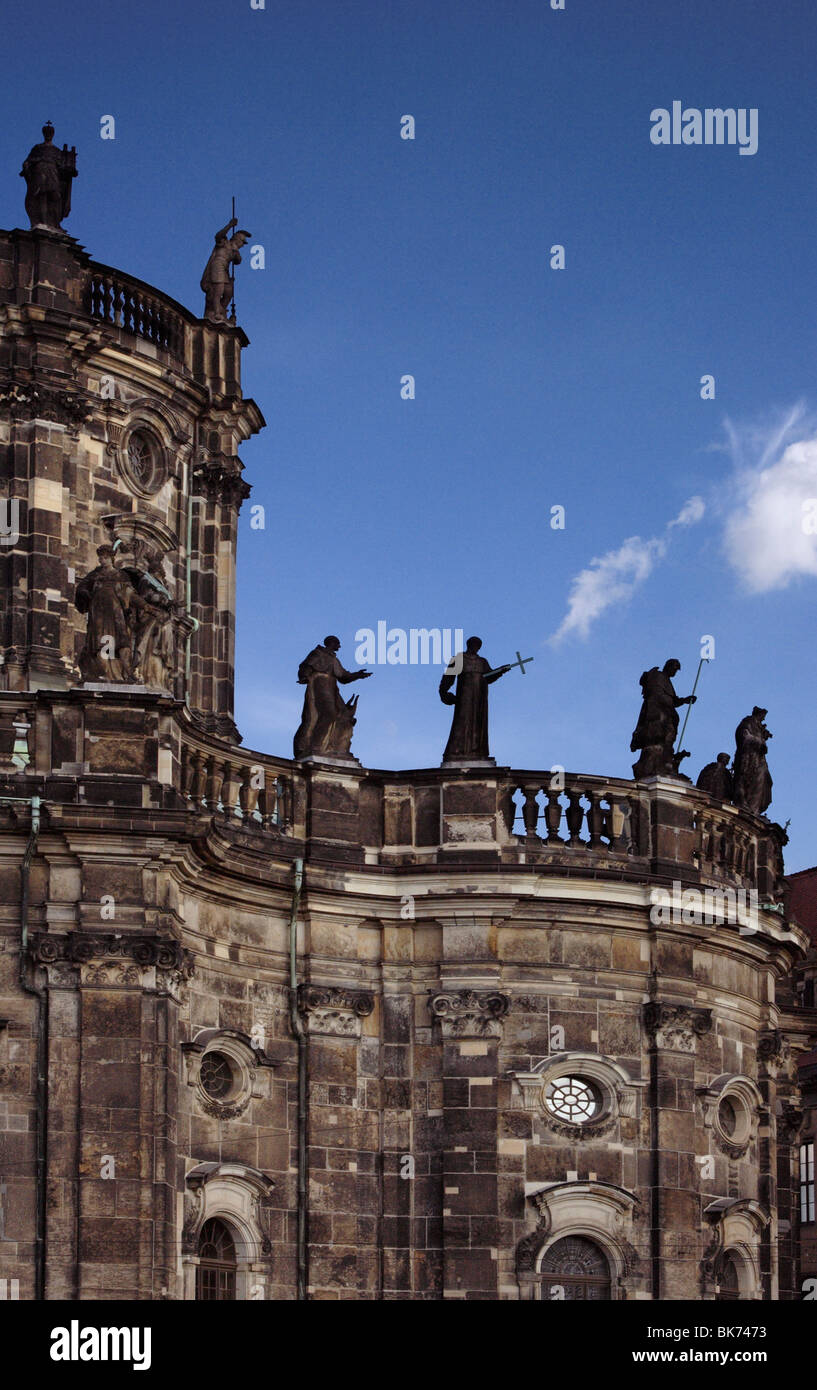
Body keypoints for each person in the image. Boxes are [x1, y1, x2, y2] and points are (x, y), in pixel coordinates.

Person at [293, 636, 371, 758]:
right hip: (320, 685)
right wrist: (304, 676)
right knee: (328, 714)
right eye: (338, 643)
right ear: (331, 643)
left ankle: (332, 746)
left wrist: (358, 675)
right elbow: (306, 665)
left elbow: (343, 676)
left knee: (341, 715)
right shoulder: (318, 653)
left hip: (332, 688)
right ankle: (315, 745)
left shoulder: (333, 658)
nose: (339, 646)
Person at [439, 636, 510, 762]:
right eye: (474, 644)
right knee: (462, 721)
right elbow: (448, 677)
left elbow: (489, 677)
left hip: (479, 697)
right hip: (464, 696)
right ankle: (456, 750)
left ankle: (476, 750)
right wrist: (444, 692)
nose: (476, 647)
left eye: (478, 645)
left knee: (478, 723)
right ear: (469, 644)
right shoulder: (459, 658)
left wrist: (500, 671)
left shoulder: (482, 661)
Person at [630, 658, 696, 778]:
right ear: (668, 666)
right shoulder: (658, 676)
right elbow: (657, 695)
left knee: (669, 736)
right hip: (656, 712)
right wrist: (669, 704)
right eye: (674, 669)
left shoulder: (667, 681)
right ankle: (659, 763)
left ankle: (666, 761)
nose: (675, 672)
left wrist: (685, 700)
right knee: (660, 735)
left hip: (667, 711)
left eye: (676, 670)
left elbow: (673, 700)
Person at [20, 123, 76, 229]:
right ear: (44, 134)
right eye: (47, 133)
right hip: (40, 172)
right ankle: (43, 222)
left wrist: (69, 171)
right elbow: (28, 161)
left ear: (53, 135)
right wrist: (26, 167)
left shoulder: (57, 151)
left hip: (53, 174)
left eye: (50, 133)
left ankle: (54, 223)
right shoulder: (38, 148)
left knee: (56, 197)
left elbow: (63, 167)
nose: (48, 135)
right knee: (42, 196)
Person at [200, 218, 251, 322]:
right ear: (237, 239)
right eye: (242, 241)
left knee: (229, 291)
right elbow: (218, 236)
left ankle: (221, 309)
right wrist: (230, 225)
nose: (242, 245)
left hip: (225, 269)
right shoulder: (224, 242)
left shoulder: (235, 251)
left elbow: (238, 261)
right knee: (219, 287)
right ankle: (216, 312)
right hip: (217, 264)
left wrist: (235, 251)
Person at [733, 708, 773, 816]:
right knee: (746, 779)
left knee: (765, 779)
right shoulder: (748, 722)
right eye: (763, 716)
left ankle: (754, 808)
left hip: (758, 759)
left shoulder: (758, 726)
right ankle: (746, 805)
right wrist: (760, 741)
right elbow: (744, 735)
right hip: (748, 757)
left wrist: (763, 737)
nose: (764, 719)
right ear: (758, 715)